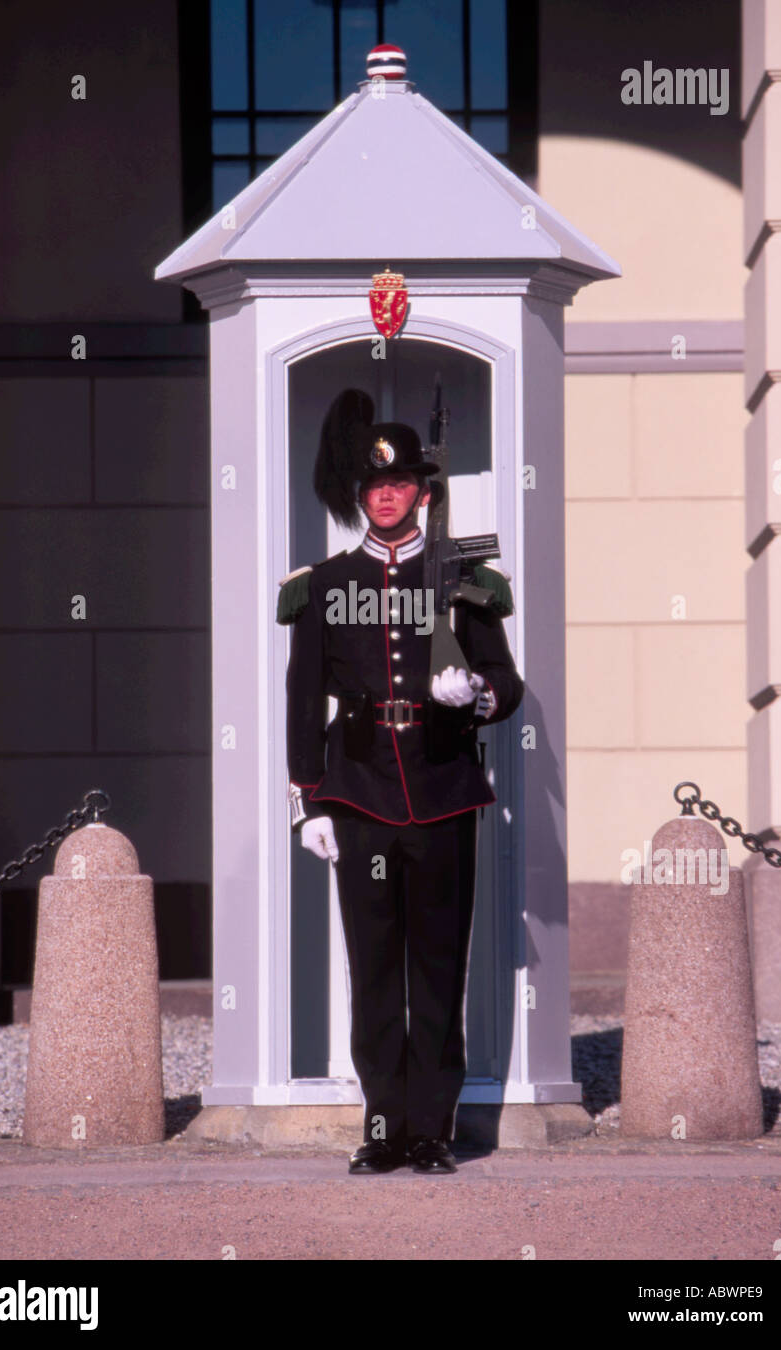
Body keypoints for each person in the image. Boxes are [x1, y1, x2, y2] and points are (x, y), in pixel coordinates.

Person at [278, 389, 523, 1174]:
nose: (387, 495)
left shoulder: (464, 578)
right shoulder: (322, 585)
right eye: (374, 486)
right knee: (374, 966)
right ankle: (383, 1126)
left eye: (401, 484)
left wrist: (476, 694)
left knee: (438, 966)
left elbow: (506, 681)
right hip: (357, 793)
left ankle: (432, 1129)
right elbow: (300, 693)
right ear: (361, 496)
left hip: (444, 786)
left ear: (422, 491)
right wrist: (306, 798)